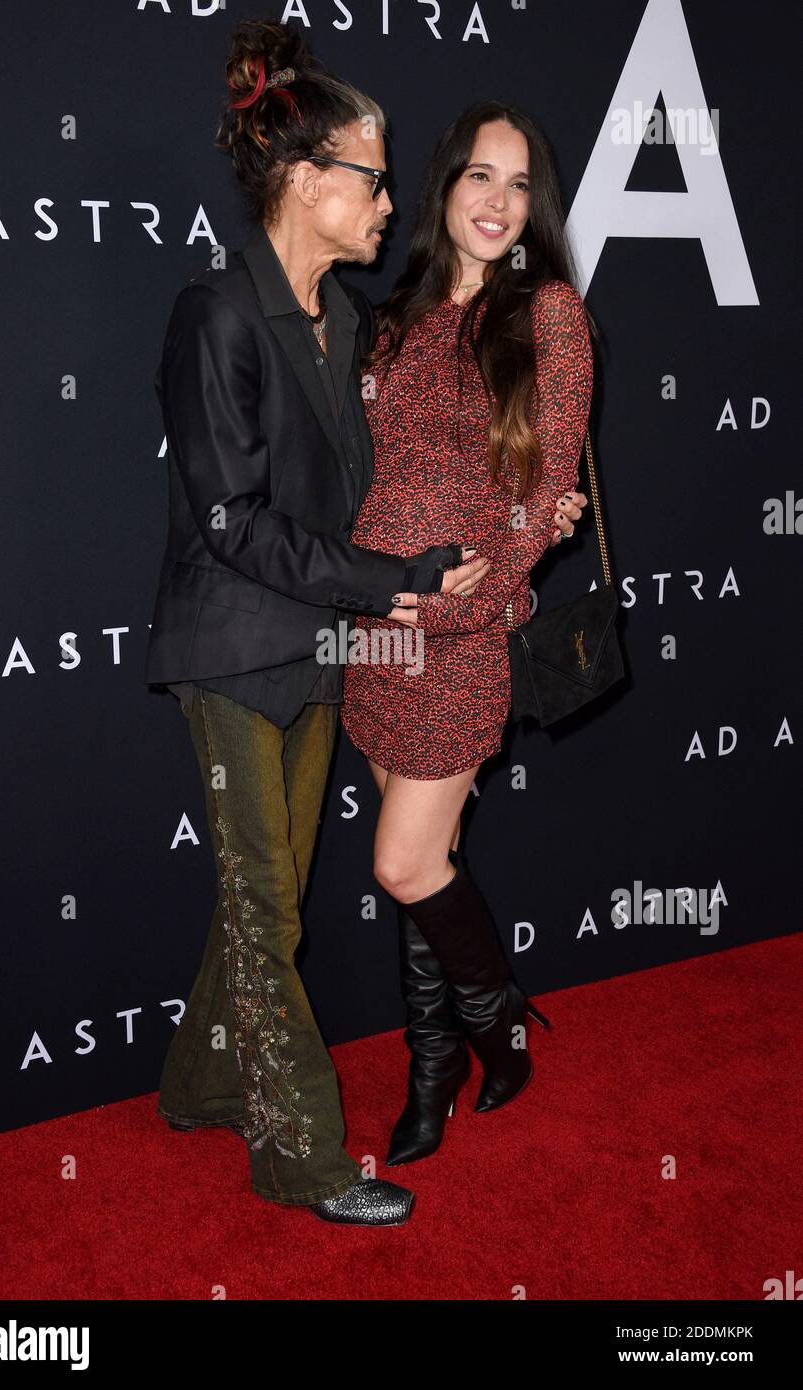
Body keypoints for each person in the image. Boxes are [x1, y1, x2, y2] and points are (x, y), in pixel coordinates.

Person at [144, 20, 502, 1227]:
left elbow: (357, 497)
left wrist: (429, 562)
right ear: (305, 182)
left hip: (317, 647)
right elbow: (235, 519)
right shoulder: (217, 314)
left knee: (274, 883)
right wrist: (380, 579)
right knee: (263, 898)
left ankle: (199, 1081)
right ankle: (301, 1157)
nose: (389, 200)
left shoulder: (340, 323)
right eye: (372, 175)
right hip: (233, 647)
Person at [339, 102, 595, 1164]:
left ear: (535, 206)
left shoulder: (550, 314)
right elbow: (374, 463)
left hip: (460, 634)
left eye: (519, 184)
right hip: (374, 631)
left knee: (400, 863)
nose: (496, 202)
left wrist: (465, 602)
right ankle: (434, 1065)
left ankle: (497, 1030)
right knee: (428, 856)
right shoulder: (393, 312)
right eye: (478, 177)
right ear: (443, 187)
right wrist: (369, 589)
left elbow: (546, 491)